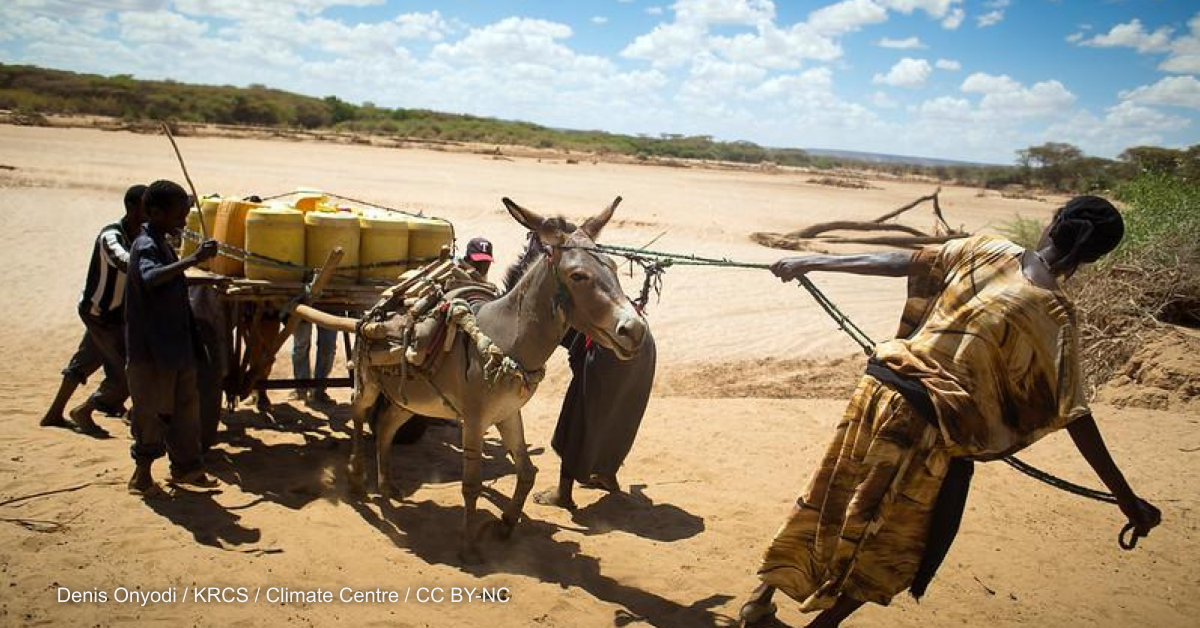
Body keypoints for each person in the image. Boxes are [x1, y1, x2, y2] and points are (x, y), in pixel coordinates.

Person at [739, 196, 1162, 627]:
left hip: (879, 392)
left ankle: (761, 598)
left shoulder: (987, 248)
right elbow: (1074, 414)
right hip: (926, 429)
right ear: (1095, 257)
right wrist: (1127, 503)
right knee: (897, 543)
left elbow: (899, 261)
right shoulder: (1055, 315)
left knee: (829, 491)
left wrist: (811, 262)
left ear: (1053, 225)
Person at [125, 180, 220, 497]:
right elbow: (151, 278)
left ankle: (187, 468)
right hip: (153, 349)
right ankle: (141, 475)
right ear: (154, 213)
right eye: (179, 214)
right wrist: (193, 260)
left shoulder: (162, 241)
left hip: (176, 346)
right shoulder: (145, 246)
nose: (183, 219)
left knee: (186, 410)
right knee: (152, 411)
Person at [42, 184, 147, 437]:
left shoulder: (142, 234)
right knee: (124, 377)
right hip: (101, 313)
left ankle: (54, 414)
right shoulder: (110, 236)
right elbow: (124, 261)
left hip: (115, 314)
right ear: (132, 208)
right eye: (148, 207)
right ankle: (84, 411)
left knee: (85, 360)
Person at [533, 326, 656, 510]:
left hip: (608, 349)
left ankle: (563, 493)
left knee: (576, 416)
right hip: (644, 346)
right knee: (618, 415)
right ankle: (607, 475)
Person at [291, 320, 338, 405]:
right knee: (301, 347)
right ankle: (301, 388)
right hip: (303, 309)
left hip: (329, 309)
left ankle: (318, 389)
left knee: (328, 348)